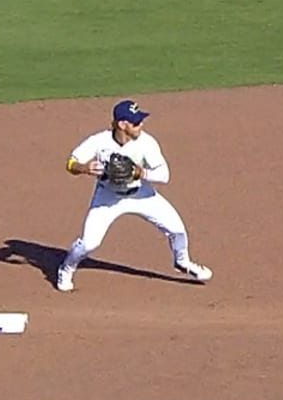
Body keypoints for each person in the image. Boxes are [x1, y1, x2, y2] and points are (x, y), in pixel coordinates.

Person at [55, 99, 213, 292]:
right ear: (122, 124)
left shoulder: (147, 143)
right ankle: (67, 267)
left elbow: (165, 175)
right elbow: (71, 162)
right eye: (136, 122)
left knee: (177, 230)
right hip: (108, 197)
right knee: (89, 243)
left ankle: (183, 262)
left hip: (141, 194)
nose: (141, 125)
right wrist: (83, 168)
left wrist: (141, 173)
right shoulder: (99, 141)